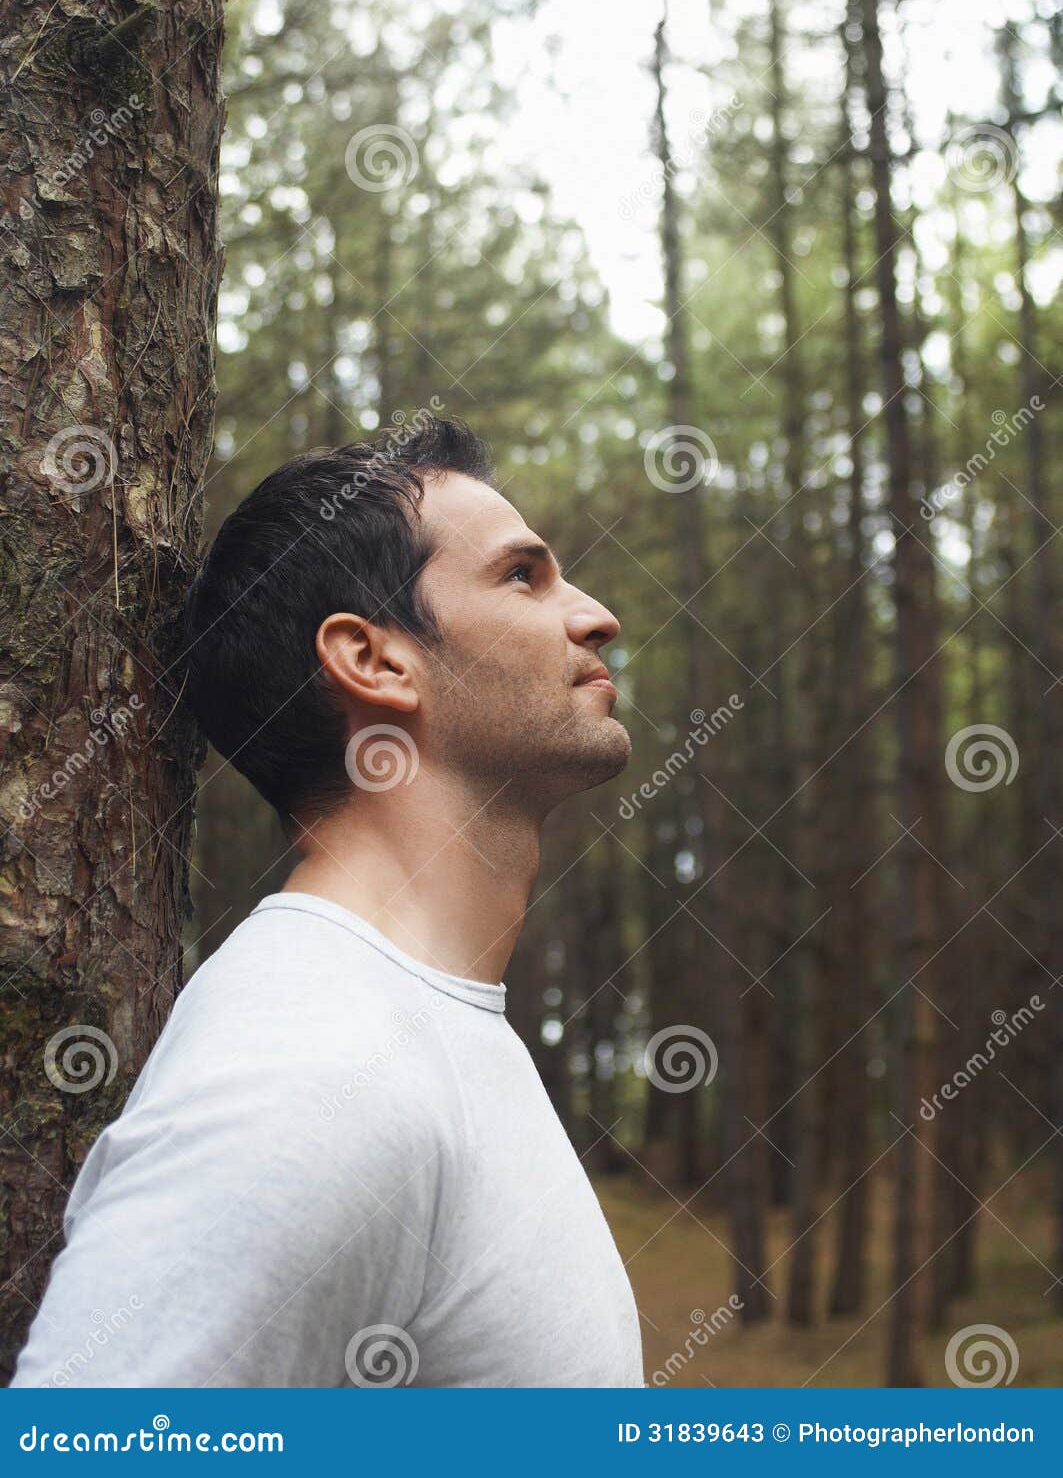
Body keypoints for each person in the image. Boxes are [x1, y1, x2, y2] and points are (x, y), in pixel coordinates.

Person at [12, 418, 645, 1388]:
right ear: (375, 659)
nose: (593, 614)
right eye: (523, 575)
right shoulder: (314, 1063)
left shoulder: (417, 1029)